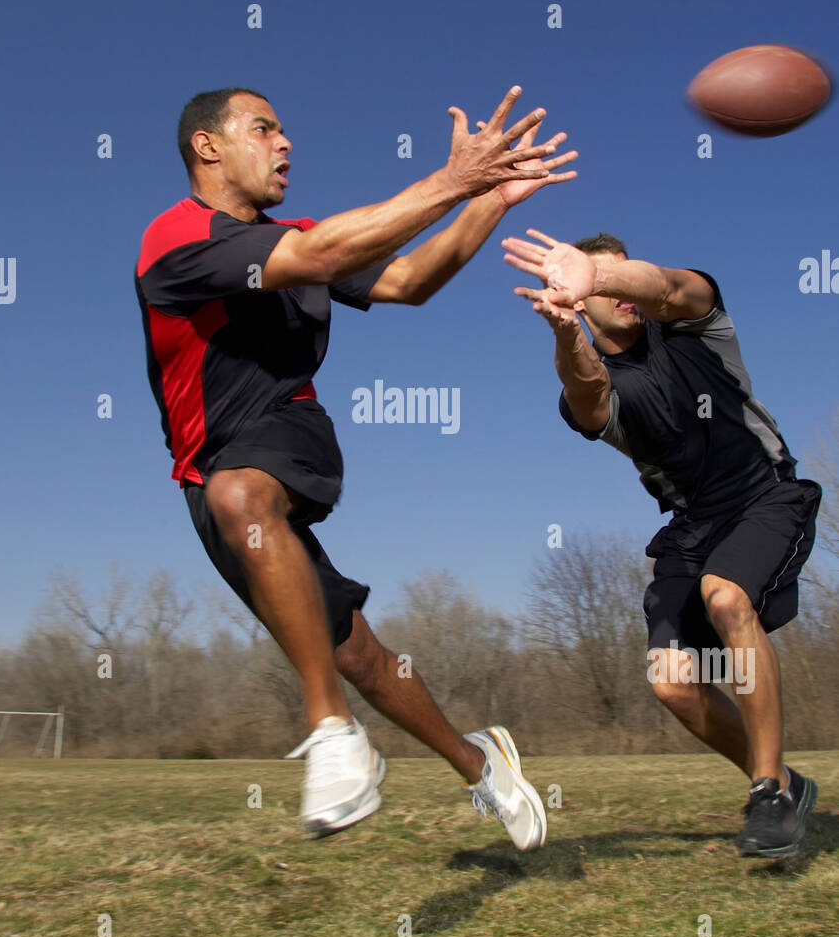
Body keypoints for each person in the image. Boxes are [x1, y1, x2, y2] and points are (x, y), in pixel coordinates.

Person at [135, 85, 577, 846]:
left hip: (283, 438)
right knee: (358, 654)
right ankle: (483, 766)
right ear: (207, 146)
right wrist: (458, 180)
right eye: (264, 128)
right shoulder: (176, 239)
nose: (286, 144)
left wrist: (489, 200)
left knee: (242, 493)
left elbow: (409, 282)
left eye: (285, 130)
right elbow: (323, 252)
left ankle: (332, 731)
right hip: (205, 481)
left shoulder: (302, 238)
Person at [502, 227, 821, 860]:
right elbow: (588, 392)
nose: (618, 287)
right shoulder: (600, 383)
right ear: (573, 299)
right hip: (692, 528)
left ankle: (768, 794)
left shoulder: (695, 323)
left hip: (766, 497)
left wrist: (601, 273)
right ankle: (784, 781)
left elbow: (669, 285)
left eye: (621, 274)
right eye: (598, 280)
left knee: (727, 598)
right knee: (672, 681)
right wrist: (566, 332)